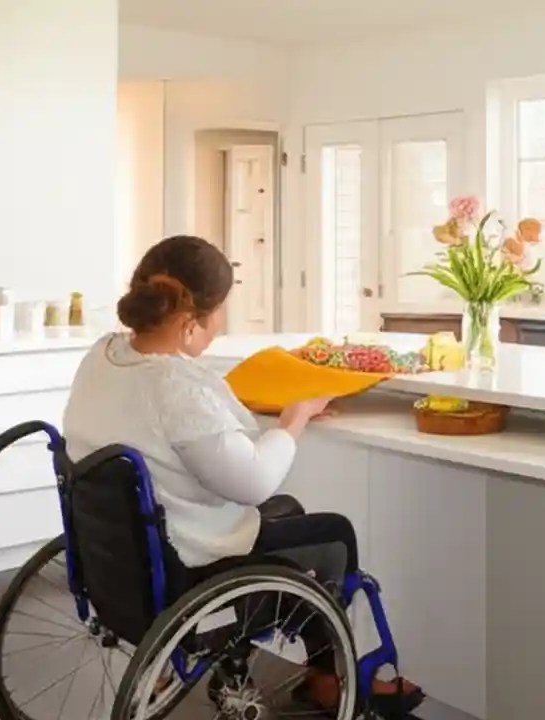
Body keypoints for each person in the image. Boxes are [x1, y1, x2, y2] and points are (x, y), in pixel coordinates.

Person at [62, 235, 418, 710]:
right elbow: (253, 482)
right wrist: (295, 420)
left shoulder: (102, 356)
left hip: (122, 554)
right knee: (333, 535)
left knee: (287, 514)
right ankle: (328, 672)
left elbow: (173, 428)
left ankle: (264, 663)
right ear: (192, 321)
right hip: (184, 559)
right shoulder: (174, 386)